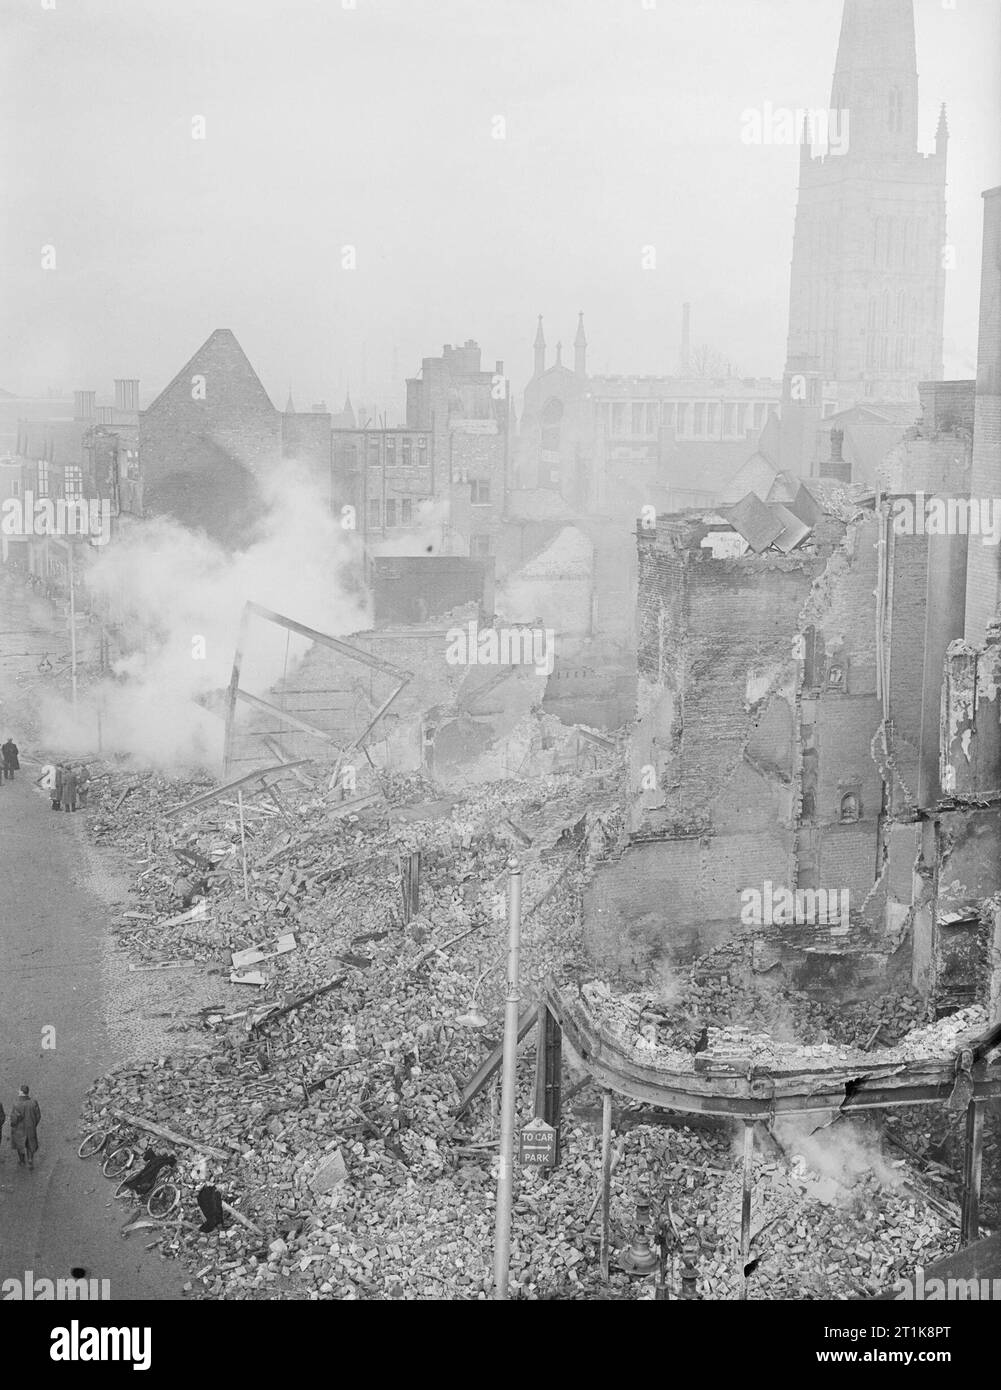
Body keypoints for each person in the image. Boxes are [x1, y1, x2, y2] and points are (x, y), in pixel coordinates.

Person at [9, 1086, 41, 1169]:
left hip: (20, 1129)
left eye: (19, 1091)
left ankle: (22, 1161)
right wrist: (34, 1124)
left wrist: (12, 1124)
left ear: (21, 1092)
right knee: (30, 1145)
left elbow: (14, 1119)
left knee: (20, 1145)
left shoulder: (16, 1104)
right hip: (30, 1128)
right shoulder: (33, 1102)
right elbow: (38, 1116)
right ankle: (30, 1160)